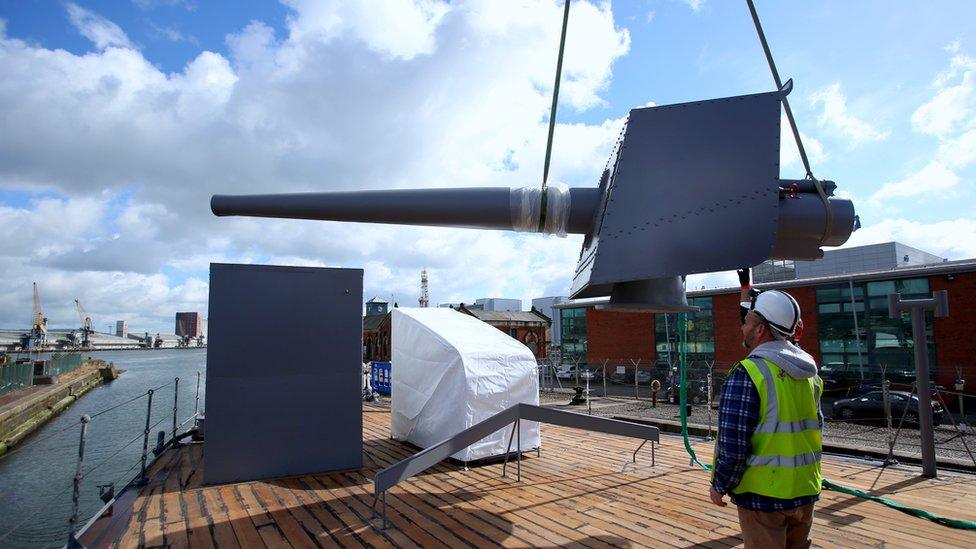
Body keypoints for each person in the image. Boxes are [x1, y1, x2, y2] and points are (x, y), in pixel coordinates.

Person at [710, 289, 823, 548]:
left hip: (763, 497)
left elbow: (734, 444)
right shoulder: (809, 374)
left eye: (747, 321)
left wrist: (720, 484)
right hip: (805, 490)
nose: (742, 327)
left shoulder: (748, 373)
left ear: (760, 330)